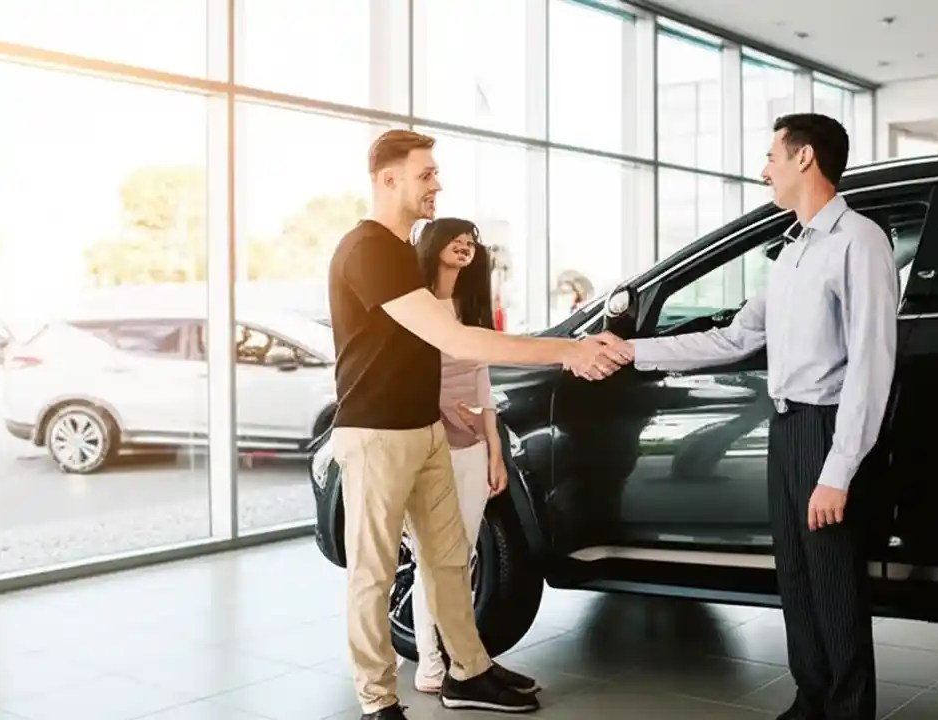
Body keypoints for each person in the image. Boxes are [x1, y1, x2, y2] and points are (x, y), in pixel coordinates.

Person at [600, 114, 898, 720]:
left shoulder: (859, 241)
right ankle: (811, 699)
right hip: (788, 428)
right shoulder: (793, 251)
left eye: (772, 157)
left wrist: (839, 470)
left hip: (827, 429)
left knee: (835, 585)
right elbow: (734, 338)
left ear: (805, 158)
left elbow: (872, 363)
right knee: (797, 578)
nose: (765, 170)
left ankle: (848, 709)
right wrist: (634, 351)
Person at [327, 129, 630, 720]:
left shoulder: (403, 250)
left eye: (435, 173)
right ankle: (378, 699)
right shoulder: (367, 249)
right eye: (426, 174)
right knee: (375, 571)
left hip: (425, 431)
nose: (436, 184)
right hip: (376, 435)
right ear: (389, 179)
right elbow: (454, 339)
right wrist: (565, 351)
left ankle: (469, 672)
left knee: (450, 558)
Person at [407, 217, 523, 694]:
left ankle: (467, 661)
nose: (466, 245)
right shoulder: (414, 306)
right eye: (457, 237)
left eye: (472, 241)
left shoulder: (472, 308)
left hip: (472, 447)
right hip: (429, 444)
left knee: (462, 558)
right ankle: (431, 663)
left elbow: (482, 385)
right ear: (433, 244)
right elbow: (409, 380)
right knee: (429, 562)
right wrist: (452, 417)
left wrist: (494, 450)